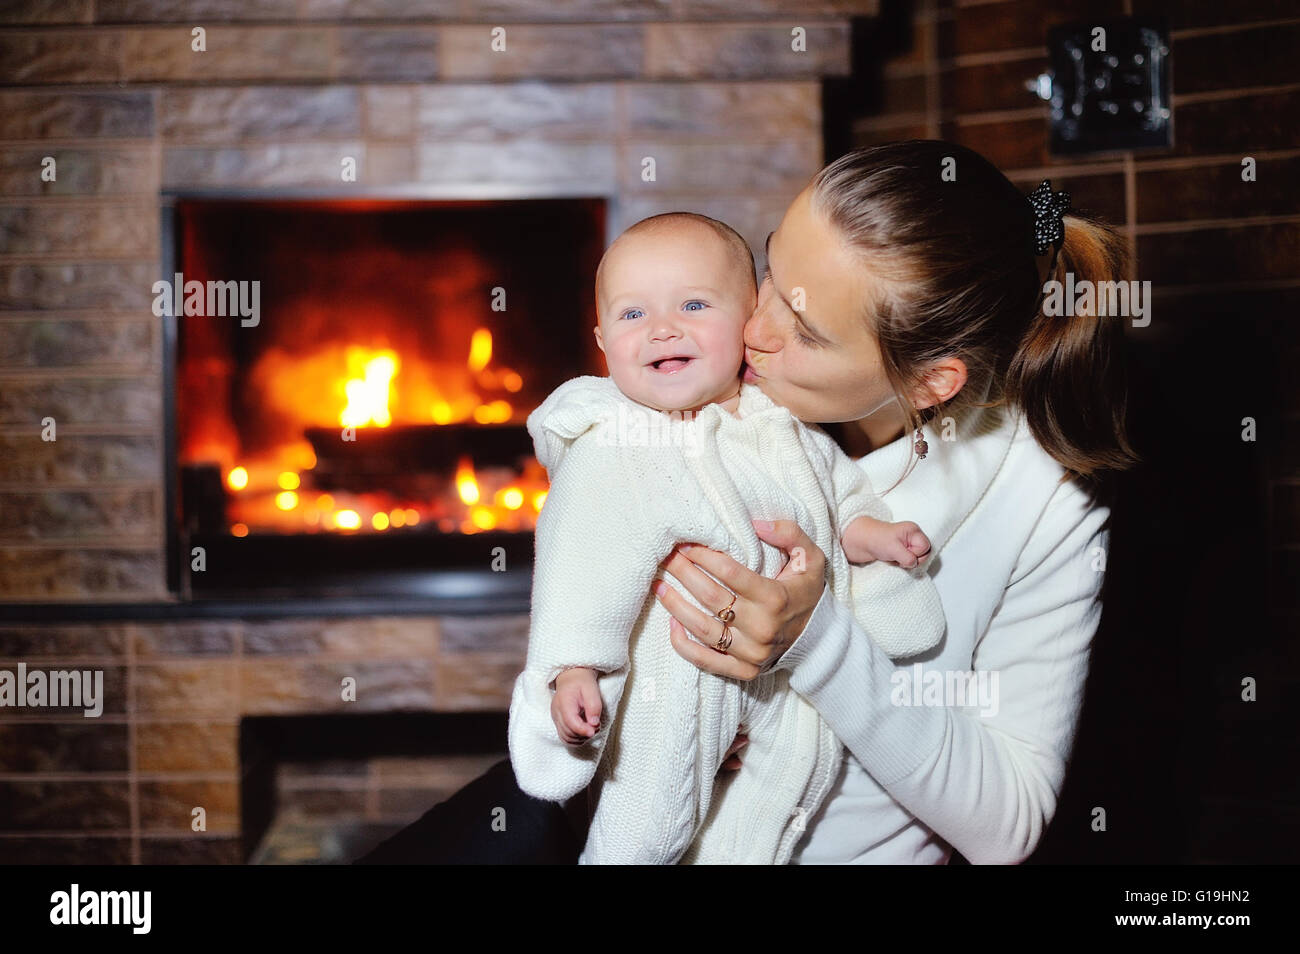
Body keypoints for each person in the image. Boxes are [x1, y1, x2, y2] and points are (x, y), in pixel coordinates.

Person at [354, 139, 1135, 865]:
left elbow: (1009, 823)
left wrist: (815, 643)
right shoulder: (708, 407)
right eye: (769, 271)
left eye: (807, 330)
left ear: (931, 383)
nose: (750, 327)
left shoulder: (1044, 505)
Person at [511, 212, 944, 864]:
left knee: (786, 791)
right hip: (672, 683)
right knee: (645, 825)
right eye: (632, 315)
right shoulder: (617, 446)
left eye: (692, 304)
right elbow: (581, 562)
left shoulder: (777, 424)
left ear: (748, 318)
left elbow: (829, 498)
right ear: (602, 340)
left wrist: (874, 535)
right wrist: (574, 666)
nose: (662, 327)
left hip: (783, 682)